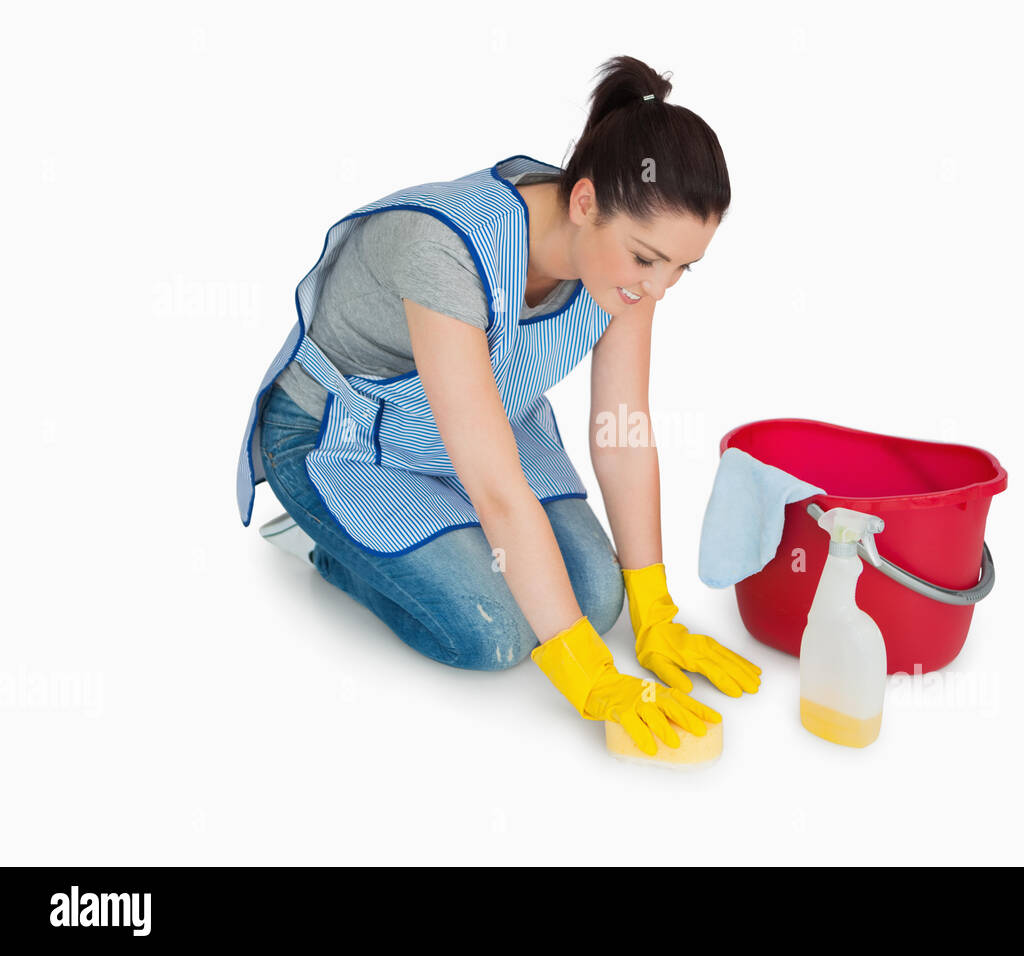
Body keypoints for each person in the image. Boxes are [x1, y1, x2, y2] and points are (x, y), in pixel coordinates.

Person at [235, 55, 760, 756]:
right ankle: (328, 543)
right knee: (494, 634)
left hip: (475, 426)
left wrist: (653, 606)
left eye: (680, 268)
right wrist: (587, 674)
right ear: (583, 203)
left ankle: (442, 542)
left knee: (599, 599)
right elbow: (495, 485)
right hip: (340, 441)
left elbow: (622, 432)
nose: (659, 287)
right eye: (647, 259)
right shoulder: (446, 251)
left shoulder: (623, 264)